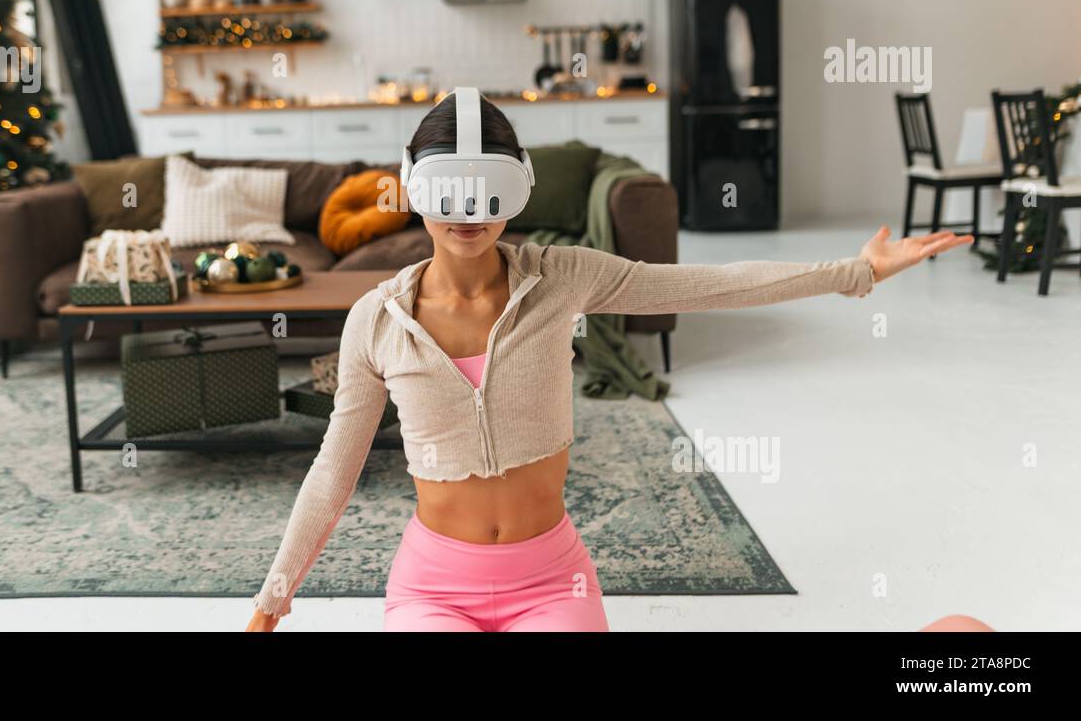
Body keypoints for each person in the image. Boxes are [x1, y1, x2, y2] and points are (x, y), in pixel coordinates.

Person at [246, 90, 972, 632]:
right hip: (433, 588)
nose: (468, 213)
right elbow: (331, 477)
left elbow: (710, 285)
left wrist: (856, 272)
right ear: (414, 187)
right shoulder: (376, 321)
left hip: (548, 582)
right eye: (447, 192)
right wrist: (271, 602)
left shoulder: (564, 277)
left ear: (517, 185)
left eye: (487, 190)